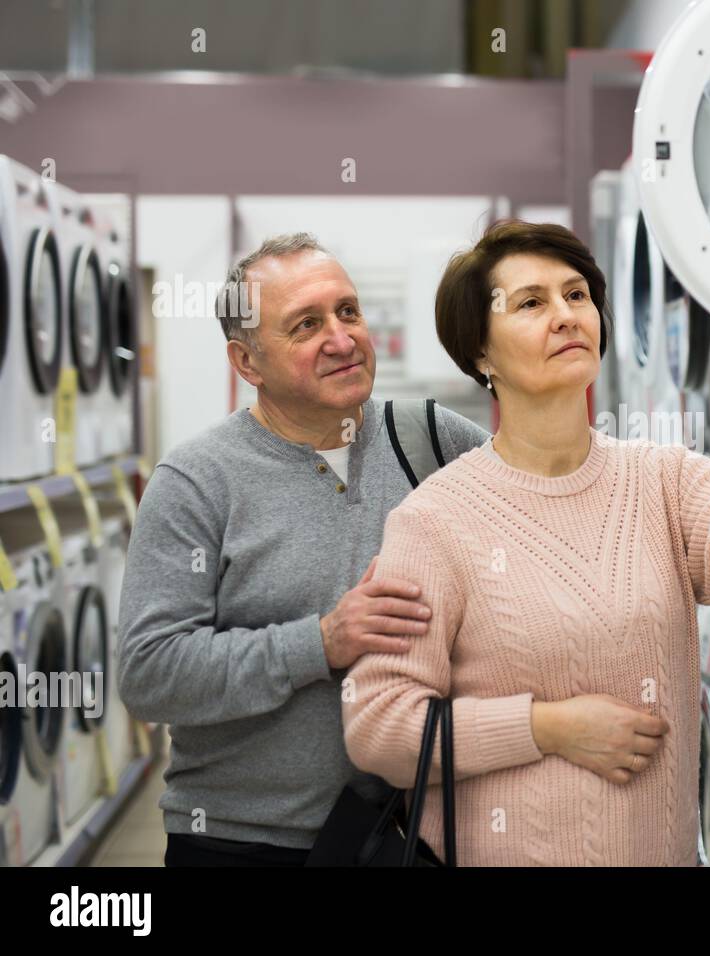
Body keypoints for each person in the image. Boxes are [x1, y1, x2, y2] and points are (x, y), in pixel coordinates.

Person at [342, 220, 710, 865]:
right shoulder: (434, 522)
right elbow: (380, 730)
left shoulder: (664, 478)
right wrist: (548, 728)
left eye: (577, 295)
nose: (566, 316)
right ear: (479, 352)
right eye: (531, 303)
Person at [116, 233, 492, 866]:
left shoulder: (433, 440)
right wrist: (320, 643)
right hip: (238, 842)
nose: (342, 339)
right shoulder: (197, 482)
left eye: (348, 312)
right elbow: (149, 675)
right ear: (247, 363)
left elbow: (542, 502)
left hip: (401, 837)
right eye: (306, 326)